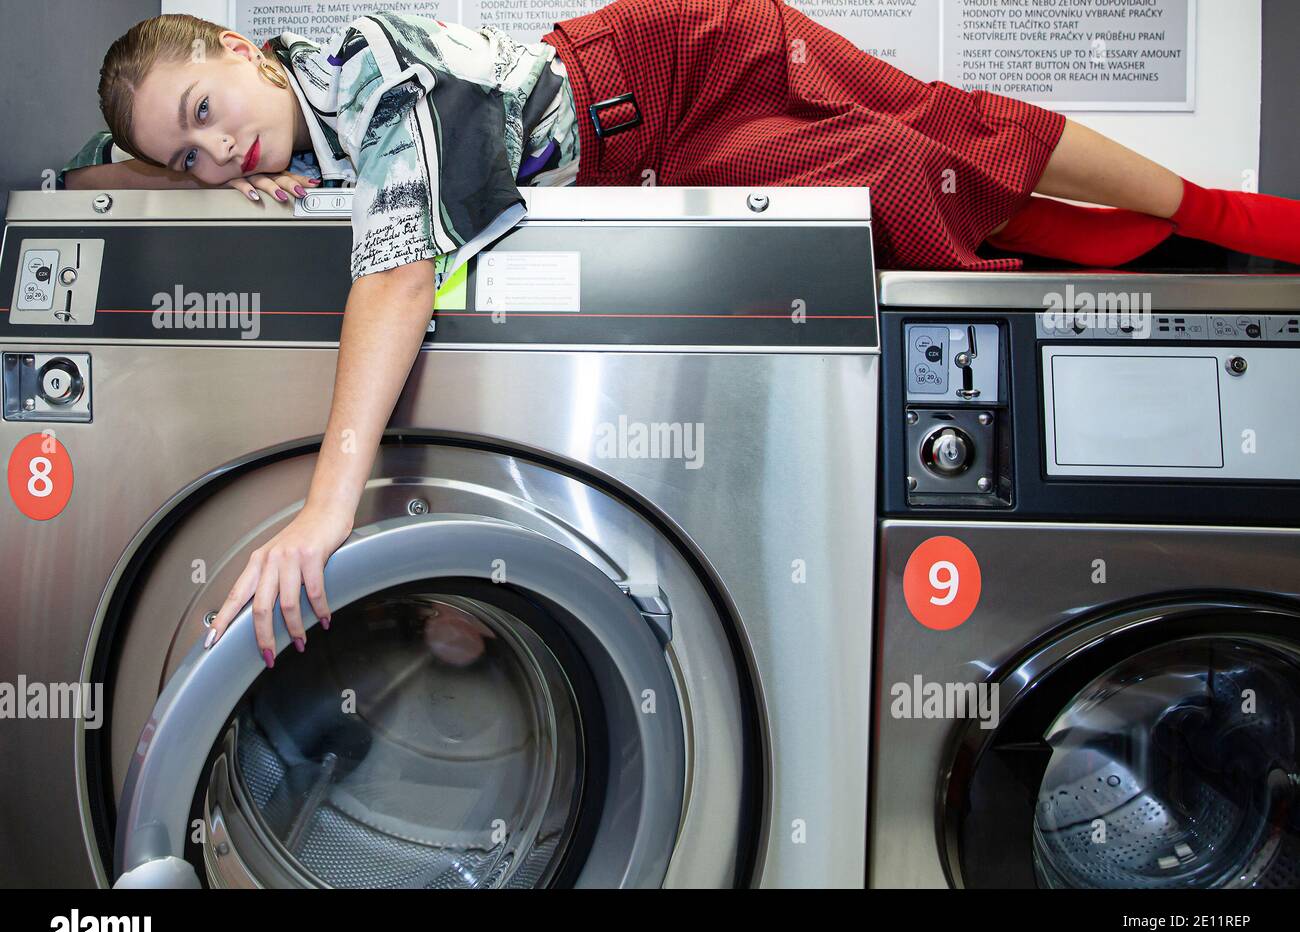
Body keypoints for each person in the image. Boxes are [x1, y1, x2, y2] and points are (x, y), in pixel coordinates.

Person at [68, 0, 1299, 668]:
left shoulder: (368, 75)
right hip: (650, 148)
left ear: (237, 48)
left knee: (939, 121)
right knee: (905, 189)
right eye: (187, 150)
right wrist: (190, 179)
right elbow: (79, 181)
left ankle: (1218, 213)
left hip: (689, 58)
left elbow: (396, 282)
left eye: (206, 114)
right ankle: (1140, 241)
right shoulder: (281, 125)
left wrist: (329, 509)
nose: (218, 148)